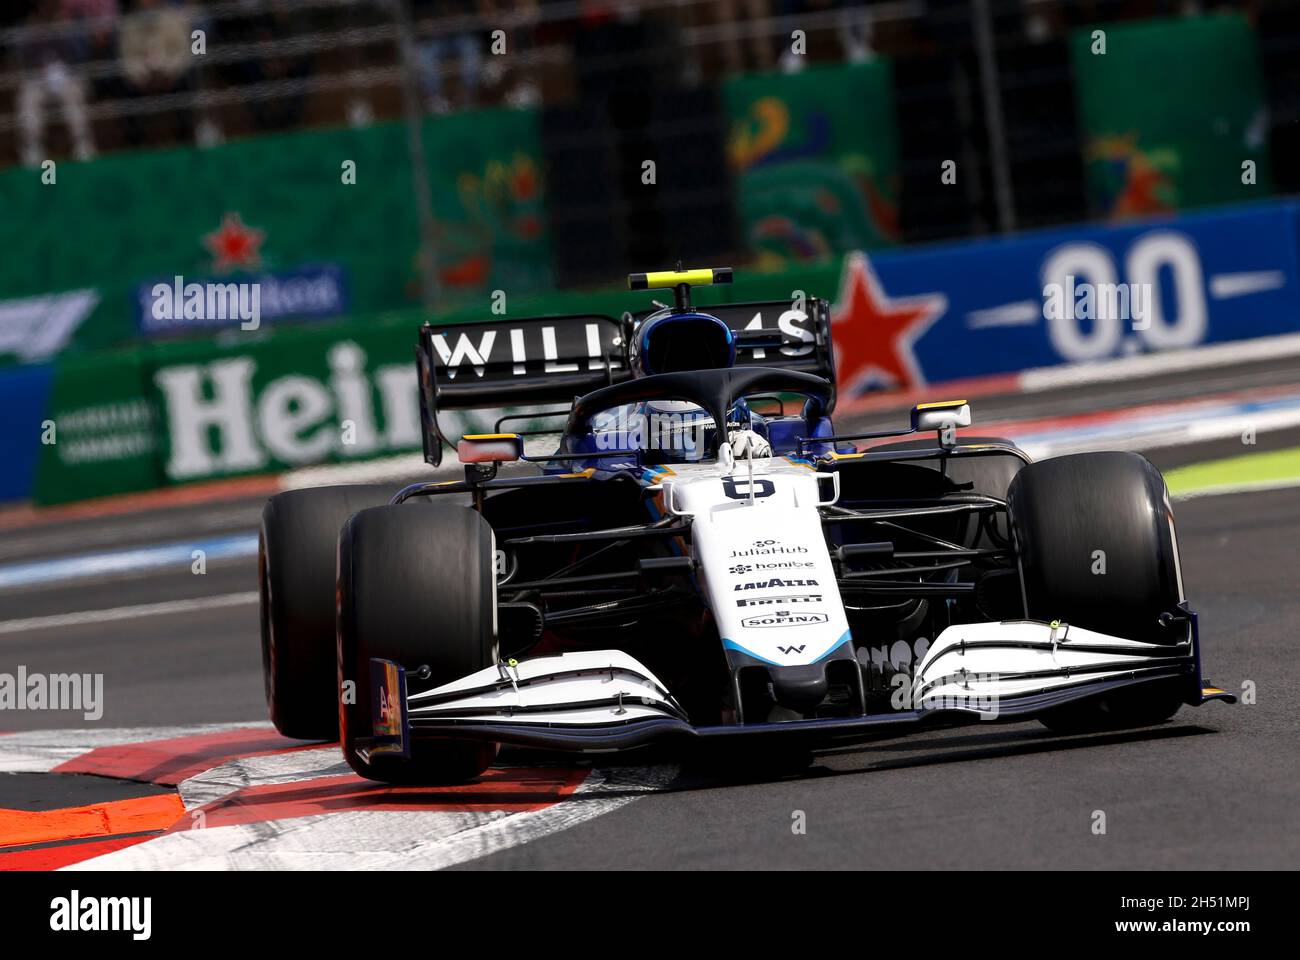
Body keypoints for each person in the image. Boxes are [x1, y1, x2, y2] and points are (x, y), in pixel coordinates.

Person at [15, 0, 98, 166]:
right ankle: (33, 156)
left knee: (74, 99)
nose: (47, 8)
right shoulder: (27, 27)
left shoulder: (69, 22)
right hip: (38, 79)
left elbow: (81, 55)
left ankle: (84, 151)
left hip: (68, 76)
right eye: (43, 5)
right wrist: (35, 39)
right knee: (27, 102)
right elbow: (21, 59)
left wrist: (62, 33)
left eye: (50, 5)